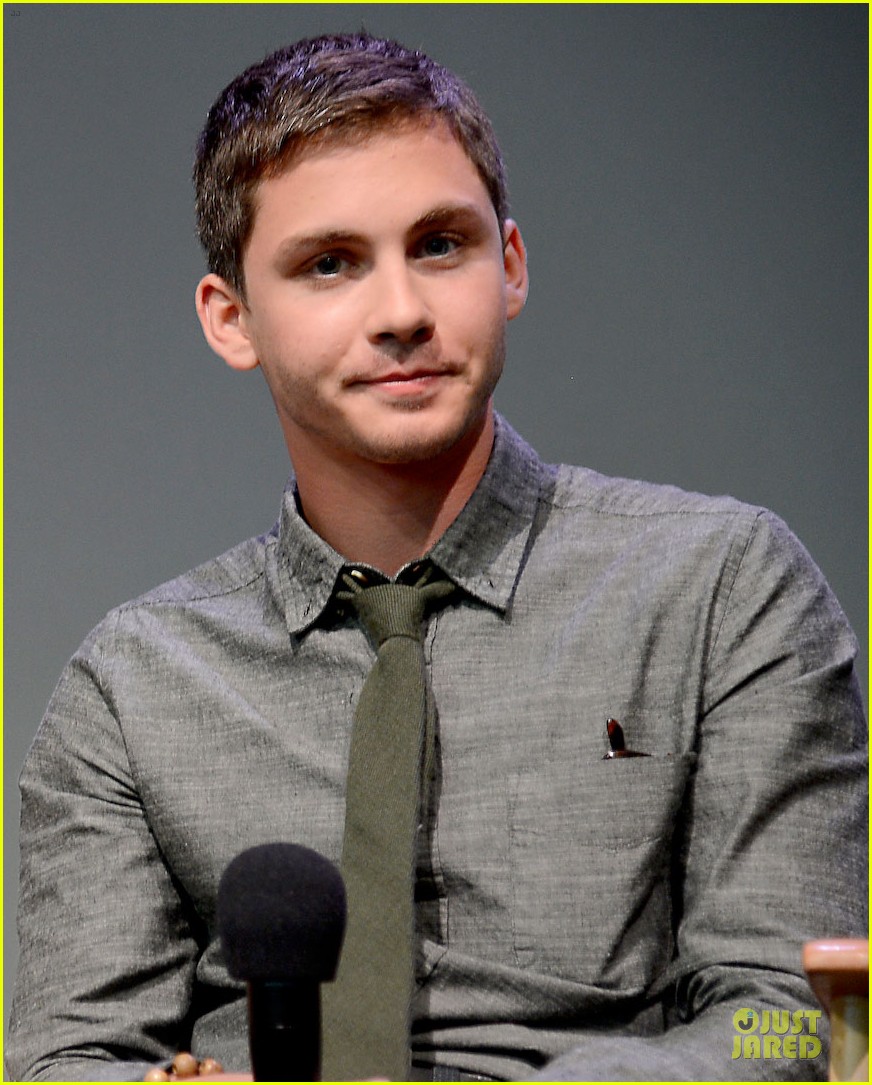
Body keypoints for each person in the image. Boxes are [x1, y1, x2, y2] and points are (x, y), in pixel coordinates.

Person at [6, 32, 866, 1084]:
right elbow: (66, 1057)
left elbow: (790, 1020)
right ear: (232, 320)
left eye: (439, 245)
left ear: (508, 265)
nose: (402, 312)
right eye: (330, 264)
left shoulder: (723, 590)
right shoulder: (131, 689)